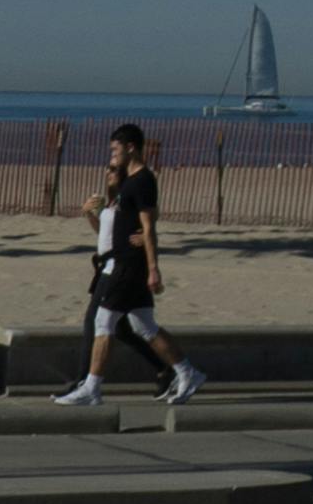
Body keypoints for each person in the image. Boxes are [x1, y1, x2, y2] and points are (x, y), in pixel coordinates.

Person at [53, 121, 204, 408]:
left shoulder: (144, 180)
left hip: (128, 266)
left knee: (102, 321)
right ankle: (187, 372)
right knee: (144, 326)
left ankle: (92, 387)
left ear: (131, 147)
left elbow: (148, 226)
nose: (112, 155)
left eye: (115, 150)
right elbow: (125, 224)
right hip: (122, 263)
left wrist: (153, 268)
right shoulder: (129, 183)